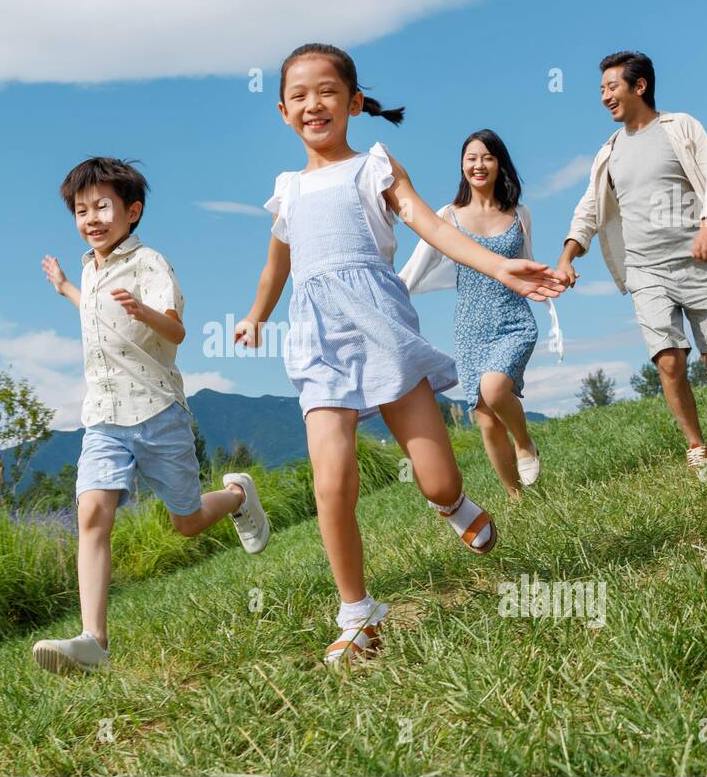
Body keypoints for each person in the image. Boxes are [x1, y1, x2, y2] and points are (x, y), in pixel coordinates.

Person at [236, 43, 565, 665]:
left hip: (383, 328)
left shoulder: (374, 168)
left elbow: (431, 226)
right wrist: (255, 317)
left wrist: (501, 266)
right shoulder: (287, 192)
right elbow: (276, 266)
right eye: (300, 96)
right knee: (332, 480)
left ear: (355, 102)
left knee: (438, 477)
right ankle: (358, 615)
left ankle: (453, 504)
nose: (314, 104)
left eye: (328, 91)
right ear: (283, 111)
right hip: (319, 344)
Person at [36, 156, 270, 672]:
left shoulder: (150, 264)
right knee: (92, 513)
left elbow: (177, 331)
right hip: (102, 417)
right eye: (81, 210)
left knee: (185, 522)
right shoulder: (88, 268)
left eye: (102, 206)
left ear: (132, 211)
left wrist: (146, 313)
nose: (91, 218)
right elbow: (93, 311)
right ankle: (93, 640)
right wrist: (65, 289)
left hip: (158, 412)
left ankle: (236, 496)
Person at [557, 51, 707, 476]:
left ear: (639, 86)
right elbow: (589, 207)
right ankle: (697, 447)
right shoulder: (608, 153)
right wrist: (568, 255)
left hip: (698, 260)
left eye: (612, 87)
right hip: (645, 270)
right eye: (602, 89)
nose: (605, 96)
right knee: (667, 359)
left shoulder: (681, 128)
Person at [400, 129, 543, 498]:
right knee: (484, 418)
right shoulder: (447, 216)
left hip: (514, 320)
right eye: (471, 159)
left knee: (495, 390)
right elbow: (415, 268)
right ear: (462, 165)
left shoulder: (520, 214)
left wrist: (550, 279)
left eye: (487, 158)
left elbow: (526, 264)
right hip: (469, 327)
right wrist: (385, 296)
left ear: (500, 164)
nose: (479, 165)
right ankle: (515, 496)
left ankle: (525, 443)